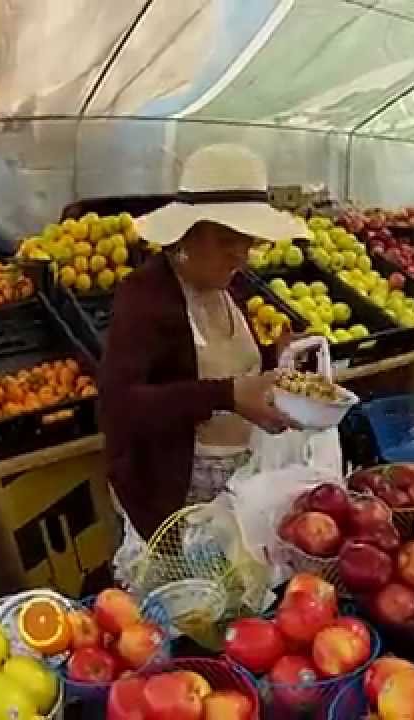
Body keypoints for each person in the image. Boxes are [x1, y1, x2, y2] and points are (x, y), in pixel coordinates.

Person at [100, 144, 308, 562]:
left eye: (246, 240)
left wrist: (276, 361)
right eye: (226, 239)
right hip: (177, 504)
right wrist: (227, 395)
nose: (240, 253)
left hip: (240, 489)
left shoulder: (231, 284)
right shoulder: (146, 297)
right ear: (186, 234)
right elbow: (119, 405)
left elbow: (229, 363)